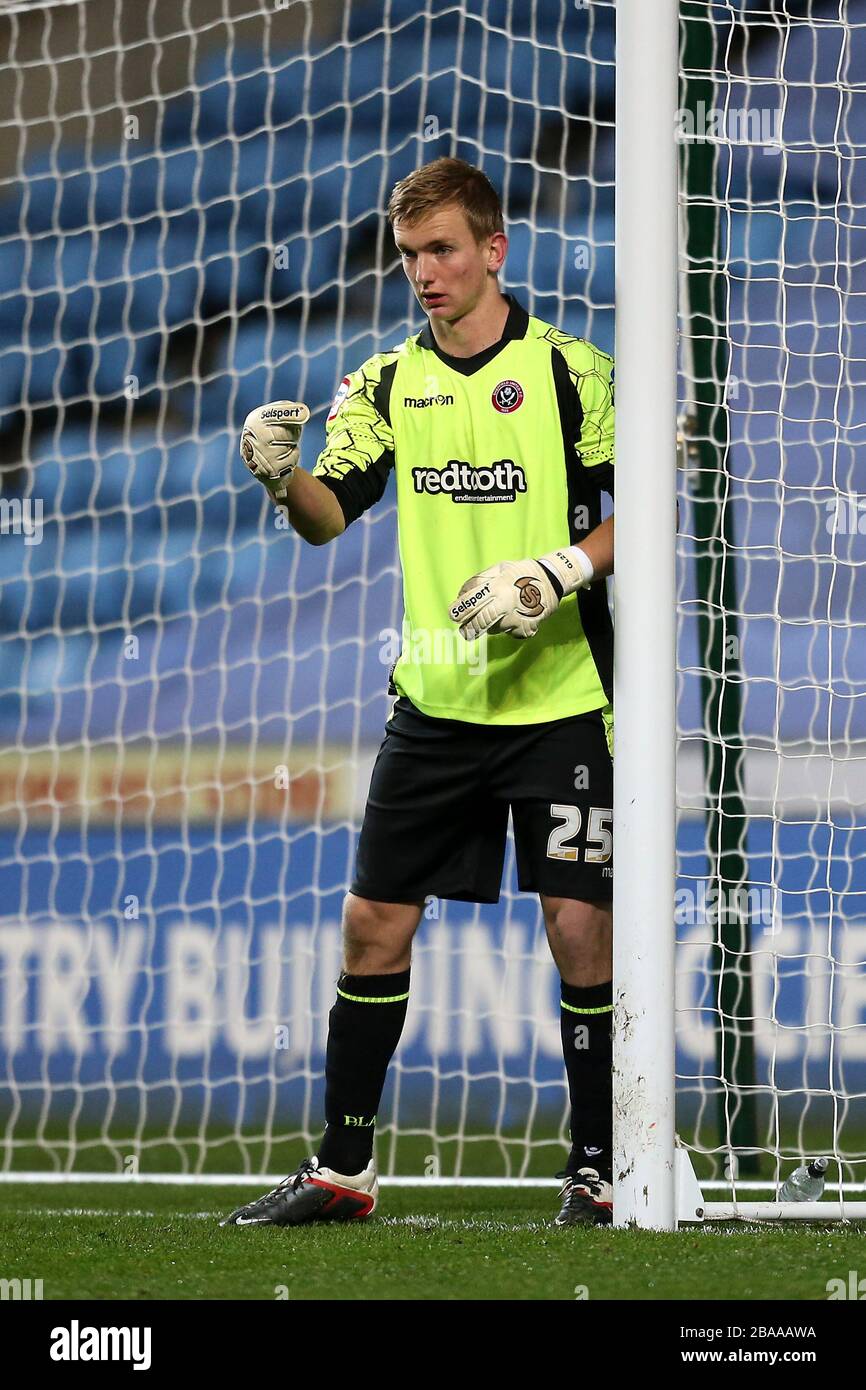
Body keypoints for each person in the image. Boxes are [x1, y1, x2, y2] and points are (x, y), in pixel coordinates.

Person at [222, 157, 615, 1229]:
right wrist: (277, 477)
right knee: (370, 925)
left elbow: (641, 514)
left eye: (442, 250)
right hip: (434, 703)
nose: (424, 273)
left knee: (580, 927)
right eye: (408, 256)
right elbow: (326, 515)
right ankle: (343, 1170)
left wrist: (556, 571)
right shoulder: (386, 382)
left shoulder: (572, 371)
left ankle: (595, 1169)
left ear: (494, 249)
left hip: (562, 700)